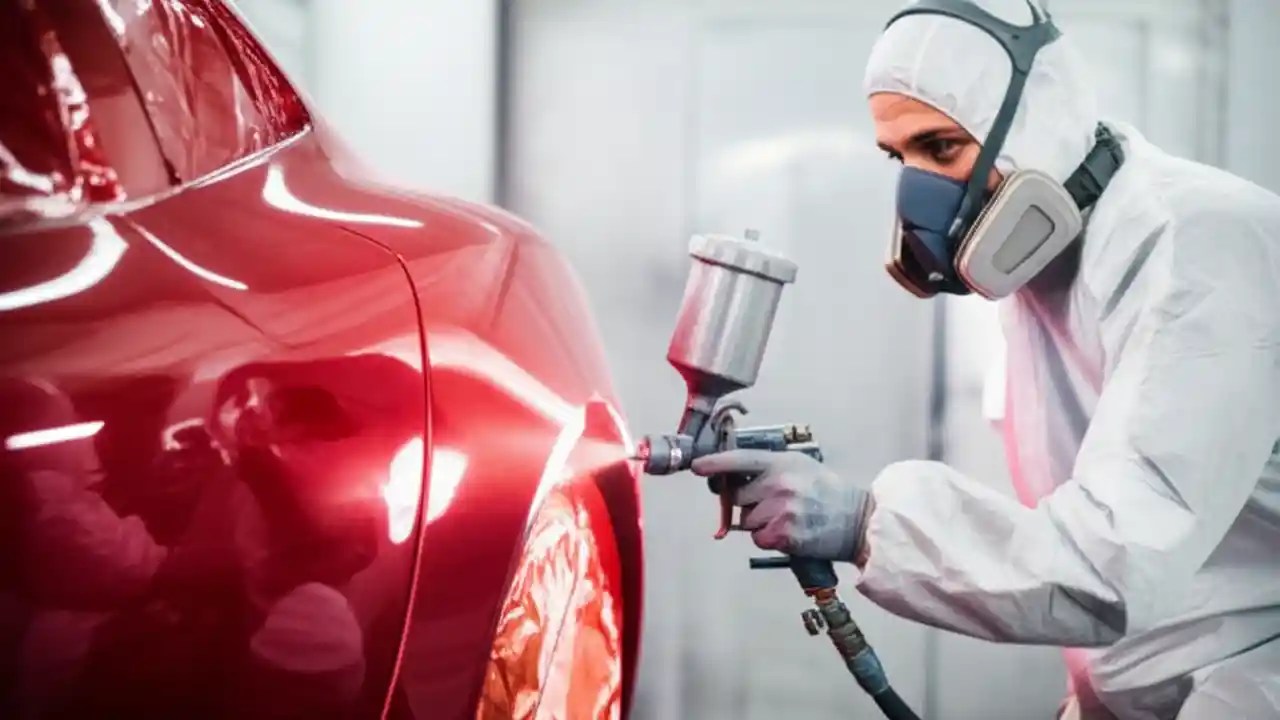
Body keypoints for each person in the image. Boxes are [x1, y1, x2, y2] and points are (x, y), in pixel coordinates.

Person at [690, 1, 1280, 718]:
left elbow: (1113, 562)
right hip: (1138, 690)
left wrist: (860, 520)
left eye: (940, 148)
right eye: (898, 157)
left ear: (1035, 131)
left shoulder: (1198, 243)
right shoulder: (1040, 284)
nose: (919, 194)